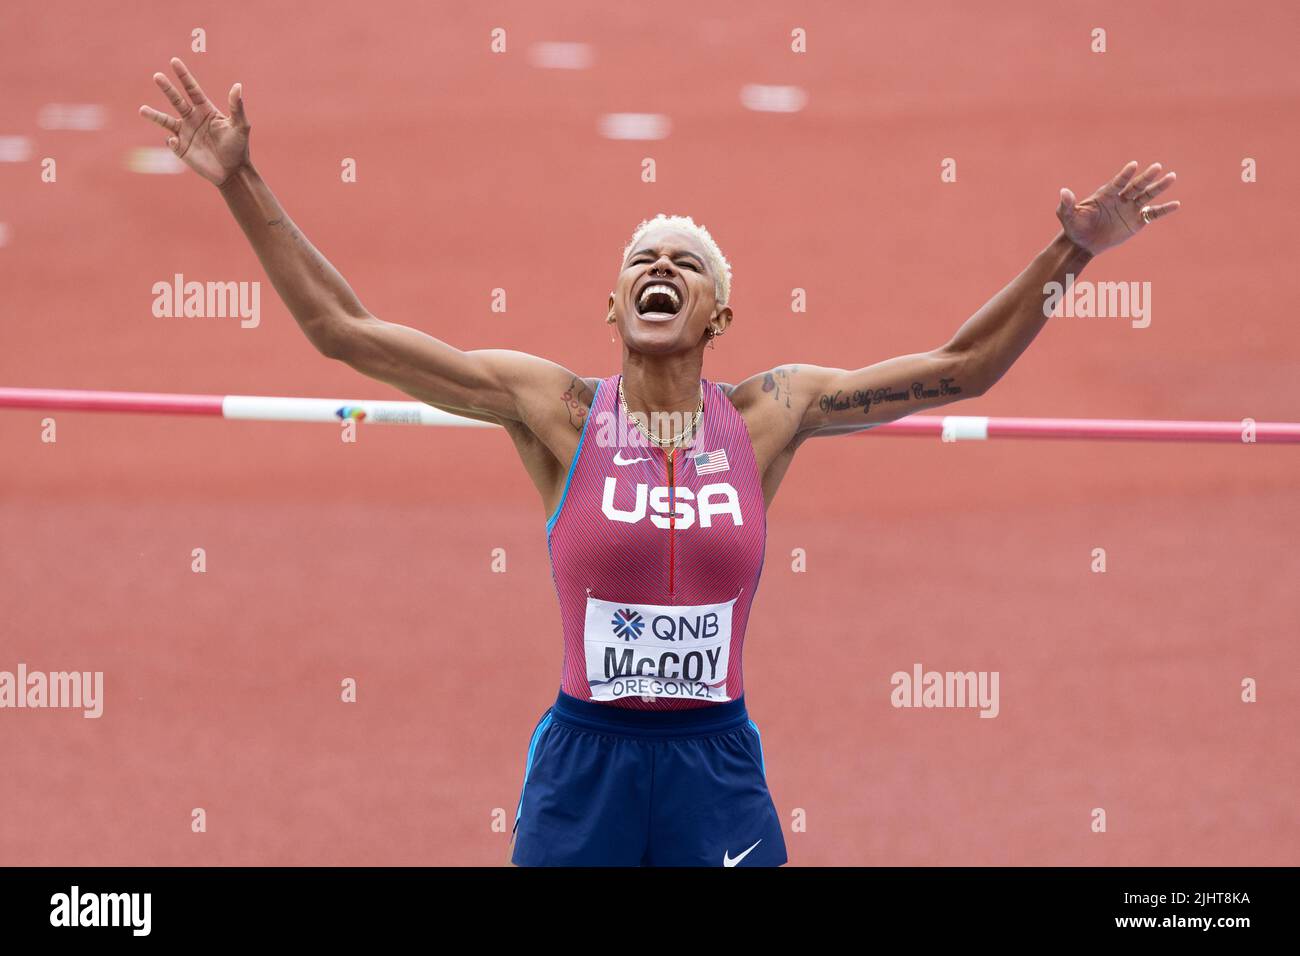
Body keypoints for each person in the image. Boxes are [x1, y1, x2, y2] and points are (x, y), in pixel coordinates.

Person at [139, 57, 1180, 866]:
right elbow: (343, 330)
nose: (660, 268)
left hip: (712, 766)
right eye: (641, 259)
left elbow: (963, 369)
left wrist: (1073, 251)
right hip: (582, 767)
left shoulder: (772, 413)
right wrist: (241, 182)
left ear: (716, 312)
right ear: (612, 305)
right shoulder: (553, 409)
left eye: (685, 263)